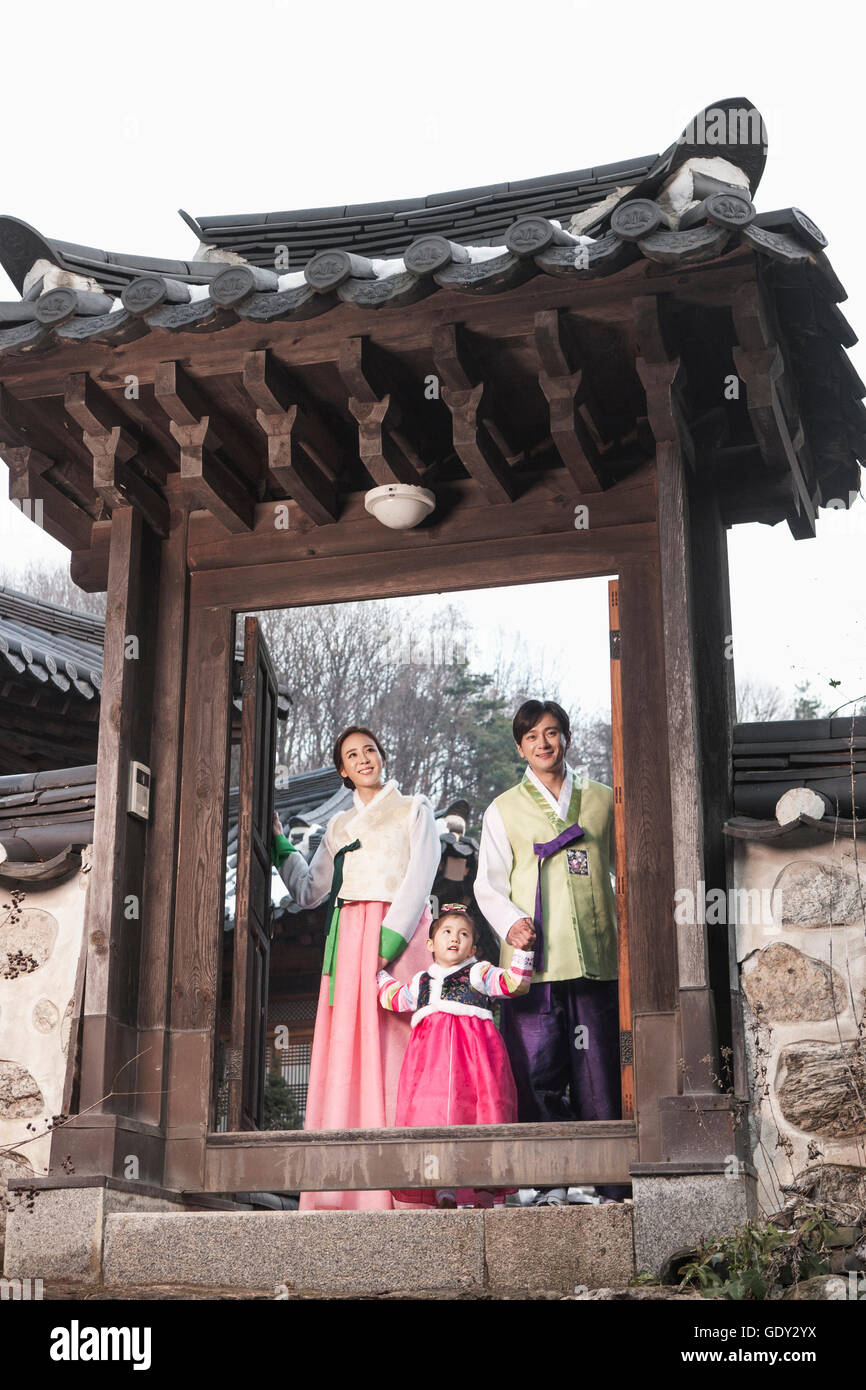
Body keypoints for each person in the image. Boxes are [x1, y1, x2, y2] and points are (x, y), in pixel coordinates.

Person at [272, 726, 440, 1211]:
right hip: (347, 942)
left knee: (398, 1049)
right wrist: (281, 845)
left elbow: (419, 877)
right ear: (343, 771)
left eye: (370, 750)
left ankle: (407, 1187)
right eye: (352, 755)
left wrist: (386, 944)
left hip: (399, 937)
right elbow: (309, 892)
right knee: (345, 1056)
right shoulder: (339, 826)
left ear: (382, 757)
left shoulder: (415, 809)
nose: (364, 758)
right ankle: (342, 1189)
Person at [474, 698, 630, 1204]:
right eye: (532, 736)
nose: (544, 743)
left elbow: (627, 872)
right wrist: (511, 923)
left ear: (566, 737)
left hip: (594, 958)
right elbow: (487, 884)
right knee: (536, 1074)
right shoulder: (503, 809)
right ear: (520, 747)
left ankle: (612, 1184)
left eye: (552, 732)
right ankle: (549, 1185)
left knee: (601, 1072)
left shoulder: (606, 800)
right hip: (532, 965)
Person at [377, 903, 534, 1208]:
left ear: (473, 946)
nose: (454, 938)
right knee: (434, 1116)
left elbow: (515, 984)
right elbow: (393, 998)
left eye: (463, 934)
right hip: (430, 1066)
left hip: (475, 1059)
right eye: (447, 932)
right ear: (430, 944)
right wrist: (375, 972)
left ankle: (483, 1186)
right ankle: (442, 1186)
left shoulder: (478, 972)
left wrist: (522, 952)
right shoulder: (422, 981)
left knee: (480, 1114)